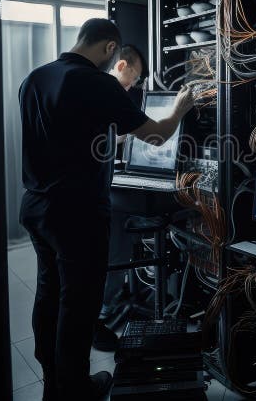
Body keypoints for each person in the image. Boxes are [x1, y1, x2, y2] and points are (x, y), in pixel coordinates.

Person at [19, 19, 193, 400]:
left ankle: (53, 383)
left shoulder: (34, 79)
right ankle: (75, 389)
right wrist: (180, 109)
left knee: (49, 295)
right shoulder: (97, 83)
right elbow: (157, 134)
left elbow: (67, 135)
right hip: (77, 215)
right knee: (78, 304)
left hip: (37, 208)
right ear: (111, 48)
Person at [93, 44, 147, 352]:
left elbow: (107, 136)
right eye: (134, 79)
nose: (132, 87)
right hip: (93, 196)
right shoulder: (106, 90)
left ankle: (105, 306)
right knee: (114, 247)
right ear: (121, 65)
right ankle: (101, 314)